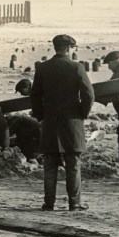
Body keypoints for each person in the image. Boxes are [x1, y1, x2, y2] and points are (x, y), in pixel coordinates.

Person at [29, 34, 95, 211]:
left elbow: (35, 95)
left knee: (50, 166)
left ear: (55, 47)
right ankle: (75, 202)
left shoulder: (43, 68)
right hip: (71, 123)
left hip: (50, 122)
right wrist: (82, 113)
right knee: (73, 165)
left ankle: (48, 203)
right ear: (68, 48)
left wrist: (41, 115)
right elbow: (89, 95)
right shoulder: (76, 67)